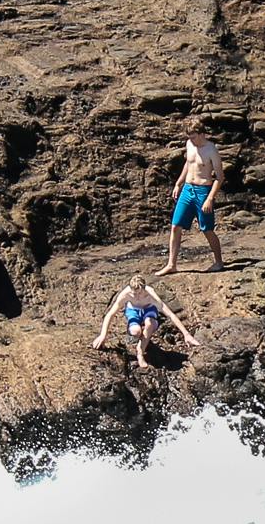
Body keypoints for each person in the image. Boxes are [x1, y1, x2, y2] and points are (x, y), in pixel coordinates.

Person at [161, 119, 226, 275]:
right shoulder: (190, 145)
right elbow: (188, 164)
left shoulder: (211, 150)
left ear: (202, 134)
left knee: (207, 229)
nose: (192, 140)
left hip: (204, 190)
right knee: (176, 225)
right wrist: (178, 183)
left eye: (194, 137)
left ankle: (219, 262)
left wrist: (210, 198)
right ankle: (172, 264)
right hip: (188, 189)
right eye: (189, 137)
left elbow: (220, 177)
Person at [93, 276, 197, 370]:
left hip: (149, 309)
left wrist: (186, 334)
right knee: (136, 331)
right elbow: (110, 314)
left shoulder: (151, 295)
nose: (137, 296)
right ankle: (137, 330)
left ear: (144, 289)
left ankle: (140, 352)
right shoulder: (126, 294)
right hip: (133, 310)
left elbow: (170, 314)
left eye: (140, 293)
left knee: (150, 323)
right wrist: (103, 335)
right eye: (134, 293)